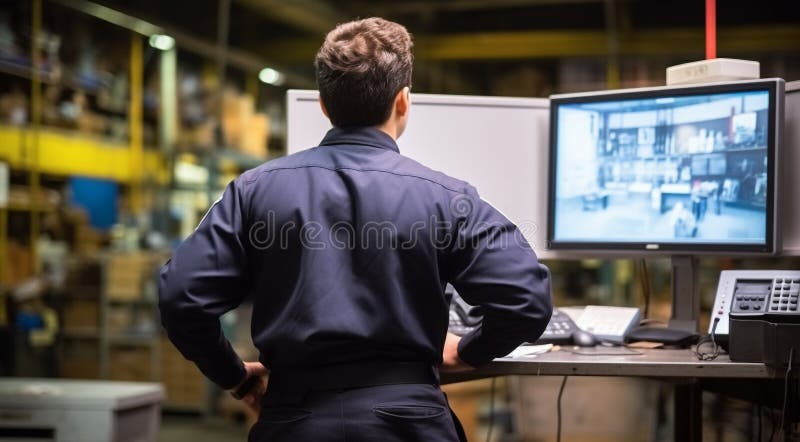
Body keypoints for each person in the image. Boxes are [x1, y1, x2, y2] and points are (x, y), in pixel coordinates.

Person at [159, 17, 552, 442]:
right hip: (412, 424)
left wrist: (235, 376)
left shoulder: (253, 191)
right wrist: (471, 350)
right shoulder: (447, 197)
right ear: (403, 101)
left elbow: (182, 298)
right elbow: (526, 300)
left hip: (293, 421)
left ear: (324, 105)